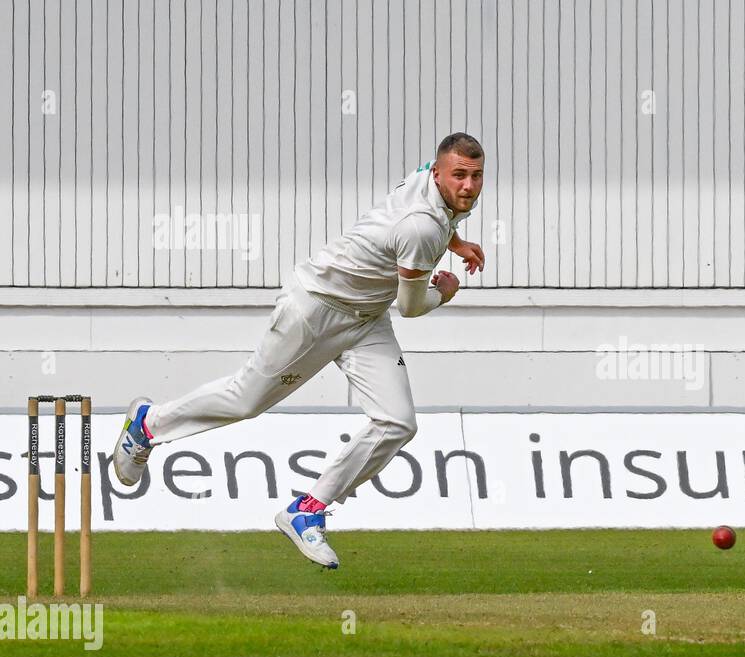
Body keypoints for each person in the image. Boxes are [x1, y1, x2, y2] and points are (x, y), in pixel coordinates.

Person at [113, 133, 489, 570]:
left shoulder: (428, 184)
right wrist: (445, 291)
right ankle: (148, 425)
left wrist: (456, 242)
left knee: (398, 422)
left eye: (477, 176)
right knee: (245, 400)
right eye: (459, 175)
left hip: (366, 318)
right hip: (316, 309)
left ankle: (306, 511)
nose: (468, 186)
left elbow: (433, 227)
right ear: (438, 172)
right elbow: (411, 306)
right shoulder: (421, 225)